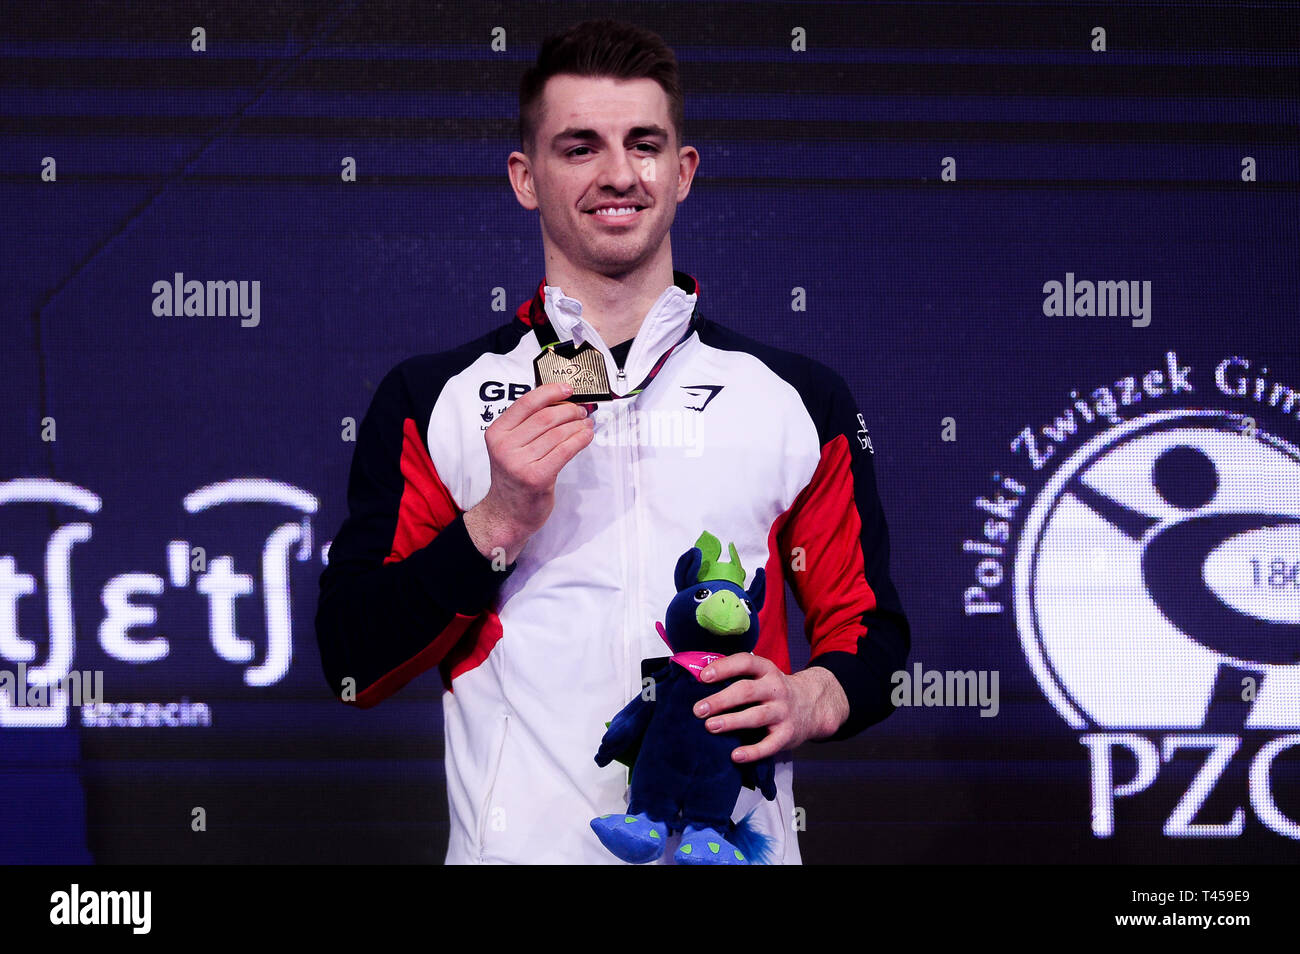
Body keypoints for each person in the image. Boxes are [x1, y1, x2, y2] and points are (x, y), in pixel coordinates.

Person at [315, 17, 910, 864]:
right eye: (579, 147)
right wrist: (497, 522)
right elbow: (353, 664)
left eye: (644, 144)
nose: (619, 174)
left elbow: (873, 638)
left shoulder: (797, 399)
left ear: (683, 170)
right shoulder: (431, 398)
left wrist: (813, 695)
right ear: (525, 178)